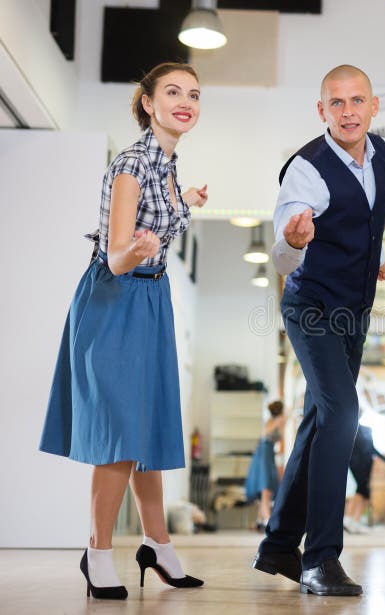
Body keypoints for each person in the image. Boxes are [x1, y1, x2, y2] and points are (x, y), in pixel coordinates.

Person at [39, 62, 207, 599]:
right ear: (148, 103)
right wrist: (135, 248)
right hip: (116, 298)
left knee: (148, 426)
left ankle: (156, 544)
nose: (186, 102)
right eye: (173, 92)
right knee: (117, 436)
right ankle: (97, 553)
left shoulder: (169, 163)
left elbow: (159, 224)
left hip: (151, 296)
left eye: (194, 95)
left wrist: (188, 205)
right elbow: (114, 258)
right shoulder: (135, 163)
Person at [251, 64, 385, 597]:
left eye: (357, 101)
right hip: (310, 305)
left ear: (373, 106)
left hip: (354, 309)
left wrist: (370, 260)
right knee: (342, 412)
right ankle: (320, 558)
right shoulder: (306, 171)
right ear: (322, 111)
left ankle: (277, 547)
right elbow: (284, 253)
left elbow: (369, 223)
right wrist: (293, 238)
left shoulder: (384, 154)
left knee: (318, 419)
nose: (348, 111)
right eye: (336, 103)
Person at [245, 400, 286, 530]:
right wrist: (278, 422)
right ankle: (268, 520)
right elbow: (264, 434)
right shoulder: (271, 421)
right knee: (265, 487)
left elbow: (281, 444)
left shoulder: (280, 423)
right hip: (263, 452)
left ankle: (261, 519)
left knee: (268, 486)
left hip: (270, 453)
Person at [344, 422, 385, 534]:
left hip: (367, 463)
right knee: (361, 490)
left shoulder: (368, 429)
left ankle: (355, 521)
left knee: (365, 493)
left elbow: (372, 448)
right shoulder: (350, 428)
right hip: (356, 464)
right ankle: (349, 519)